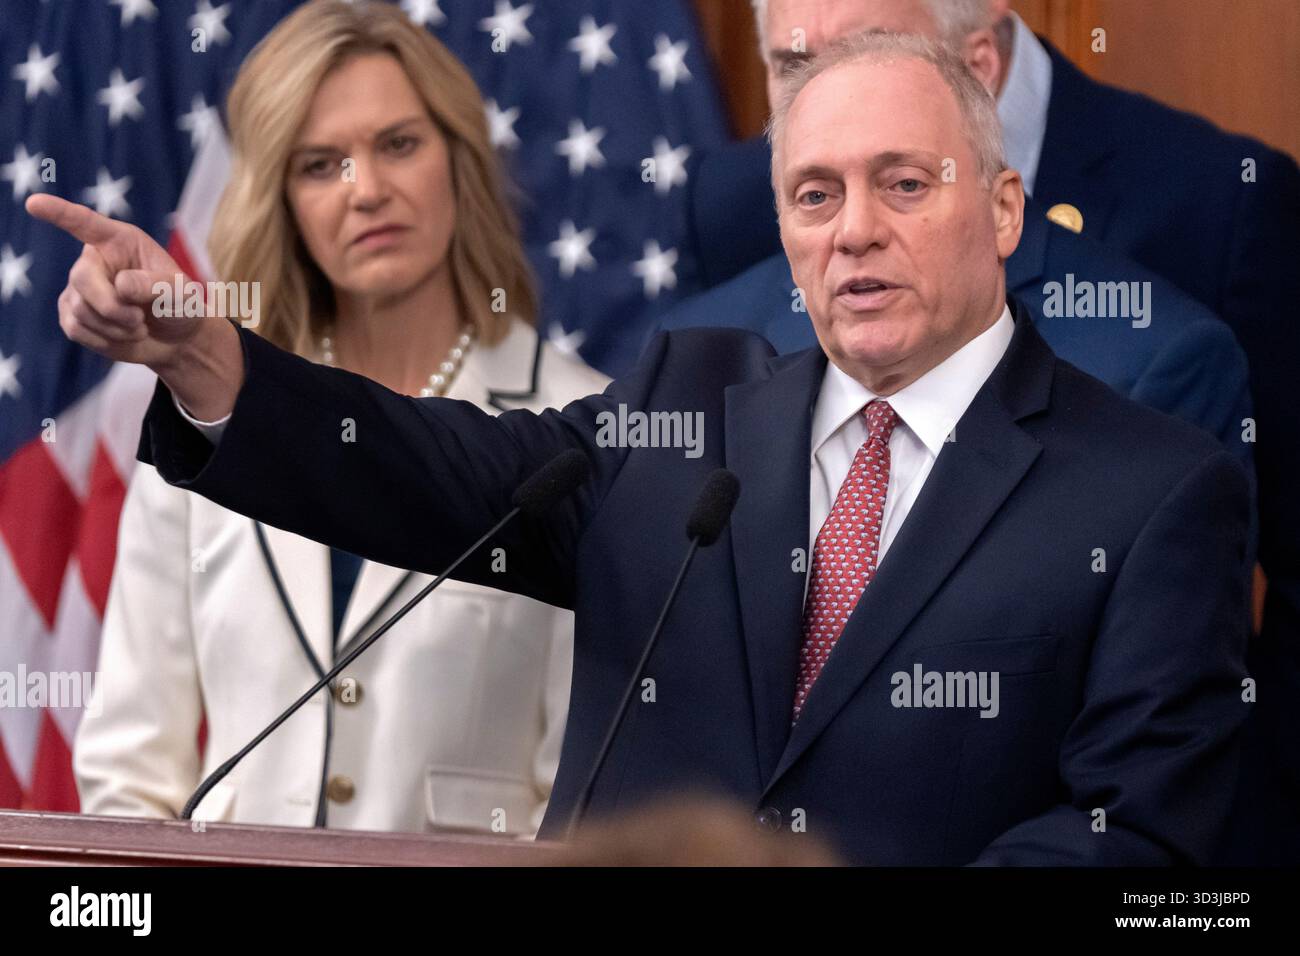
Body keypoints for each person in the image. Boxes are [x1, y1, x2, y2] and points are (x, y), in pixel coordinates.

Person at [31, 32, 1251, 865]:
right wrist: (207, 361)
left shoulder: (1149, 492)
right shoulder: (689, 411)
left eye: (903, 184)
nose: (855, 232)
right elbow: (426, 470)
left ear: (1000, 207)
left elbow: (1133, 843)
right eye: (815, 195)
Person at [685, 2, 1300, 863]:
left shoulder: (1213, 209)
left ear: (979, 62)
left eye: (874, 52)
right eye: (792, 67)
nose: (852, 228)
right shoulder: (721, 221)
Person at [71, 0, 608, 836]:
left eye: (398, 144)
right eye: (321, 164)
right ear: (278, 197)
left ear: (459, 160)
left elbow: (581, 809)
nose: (368, 192)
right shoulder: (207, 411)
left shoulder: (576, 424)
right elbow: (129, 772)